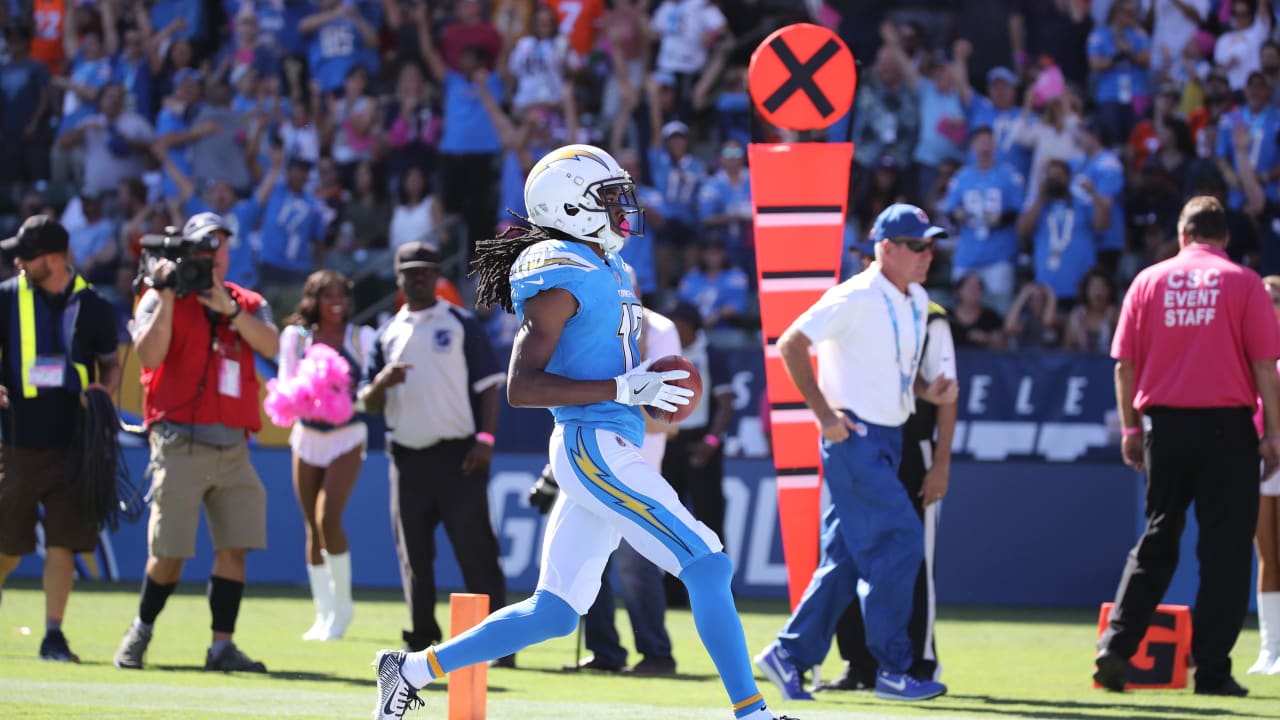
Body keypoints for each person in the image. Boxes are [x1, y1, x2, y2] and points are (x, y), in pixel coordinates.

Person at [370, 145, 797, 720]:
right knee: (707, 562)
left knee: (554, 613)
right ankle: (752, 713)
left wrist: (645, 387)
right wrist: (626, 389)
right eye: (608, 196)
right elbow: (521, 387)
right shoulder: (559, 271)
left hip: (608, 440)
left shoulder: (610, 266)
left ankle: (410, 669)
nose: (623, 206)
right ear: (571, 206)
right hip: (590, 443)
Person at [754, 203, 957, 703]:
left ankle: (790, 654)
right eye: (915, 245)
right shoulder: (855, 294)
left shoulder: (915, 298)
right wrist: (824, 415)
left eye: (929, 245)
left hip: (887, 437)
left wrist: (927, 390)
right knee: (903, 539)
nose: (926, 255)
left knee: (844, 561)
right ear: (885, 248)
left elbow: (894, 365)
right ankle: (892, 668)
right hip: (855, 438)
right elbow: (791, 344)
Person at [1097, 195, 1280, 696]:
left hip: (1165, 428)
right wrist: (1274, 435)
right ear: (1224, 238)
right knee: (1223, 553)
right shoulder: (1244, 283)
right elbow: (1266, 366)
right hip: (1228, 430)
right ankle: (1212, 670)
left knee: (1157, 538)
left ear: (1182, 235)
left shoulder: (1148, 281)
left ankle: (1115, 647)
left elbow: (1123, 365)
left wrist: (1133, 431)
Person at [113, 211, 280, 673]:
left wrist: (229, 310)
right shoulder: (157, 296)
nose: (214, 254)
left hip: (233, 446)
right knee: (168, 555)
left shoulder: (247, 301)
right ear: (188, 250)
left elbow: (271, 344)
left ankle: (221, 646)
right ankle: (140, 631)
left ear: (229, 252)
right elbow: (149, 354)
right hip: (179, 442)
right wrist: (167, 293)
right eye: (205, 246)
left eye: (220, 245)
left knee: (236, 546)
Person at [360, 242, 508, 657]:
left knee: (475, 551)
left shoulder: (459, 322)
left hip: (459, 455)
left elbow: (489, 388)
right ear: (399, 277)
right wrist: (380, 384)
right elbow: (364, 402)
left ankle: (499, 643)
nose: (419, 277)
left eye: (426, 270)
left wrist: (485, 440)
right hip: (407, 457)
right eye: (412, 271)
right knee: (414, 556)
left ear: (437, 275)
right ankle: (421, 636)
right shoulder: (387, 331)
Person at [819, 250, 958, 693]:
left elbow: (946, 393)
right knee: (847, 553)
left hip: (910, 447)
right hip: (858, 445)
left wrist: (939, 464)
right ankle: (858, 664)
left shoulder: (930, 315)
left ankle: (916, 662)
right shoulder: (849, 306)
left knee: (911, 557)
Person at [0, 215, 121, 662]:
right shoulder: (6, 297)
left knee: (63, 543)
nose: (18, 261)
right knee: (6, 545)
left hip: (75, 447)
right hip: (17, 443)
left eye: (27, 255)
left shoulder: (94, 305)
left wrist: (104, 391)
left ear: (52, 259)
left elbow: (111, 364)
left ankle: (53, 635)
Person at [577, 275, 682, 675]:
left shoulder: (659, 328)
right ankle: (605, 652)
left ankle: (657, 654)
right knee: (591, 562)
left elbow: (662, 414)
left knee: (636, 565)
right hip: (594, 459)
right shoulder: (592, 324)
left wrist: (611, 393)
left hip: (639, 465)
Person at [278, 270, 377, 641]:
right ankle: (323, 612)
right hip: (307, 436)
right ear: (313, 299)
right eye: (327, 295)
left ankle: (343, 608)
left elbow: (370, 387)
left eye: (342, 294)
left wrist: (344, 395)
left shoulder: (359, 337)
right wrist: (309, 390)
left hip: (347, 435)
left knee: (327, 518)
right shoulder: (296, 338)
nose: (337, 301)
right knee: (311, 526)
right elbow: (287, 382)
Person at [1251, 275, 1280, 675]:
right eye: (1264, 299)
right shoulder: (1247, 348)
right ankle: (1270, 648)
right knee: (1267, 556)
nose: (1269, 304)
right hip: (1258, 457)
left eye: (1276, 298)